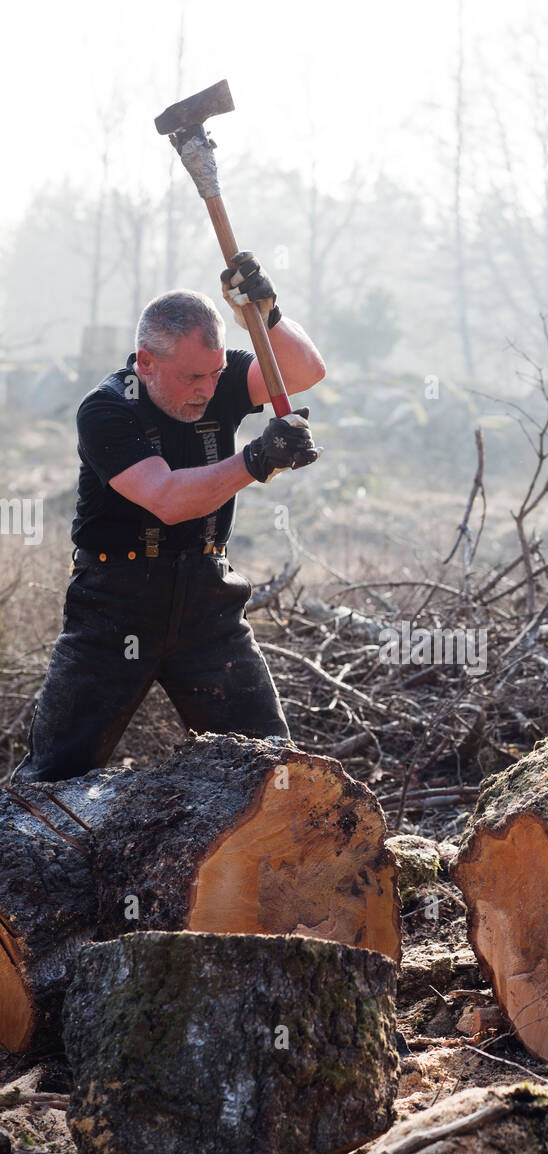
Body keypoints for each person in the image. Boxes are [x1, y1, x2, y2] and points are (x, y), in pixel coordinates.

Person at [11, 252, 324, 784]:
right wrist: (257, 459)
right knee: (52, 778)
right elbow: (168, 498)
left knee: (271, 770)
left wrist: (266, 316)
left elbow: (304, 372)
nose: (206, 388)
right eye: (191, 377)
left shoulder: (217, 376)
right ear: (146, 362)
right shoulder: (107, 408)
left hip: (209, 605)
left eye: (215, 373)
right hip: (115, 609)